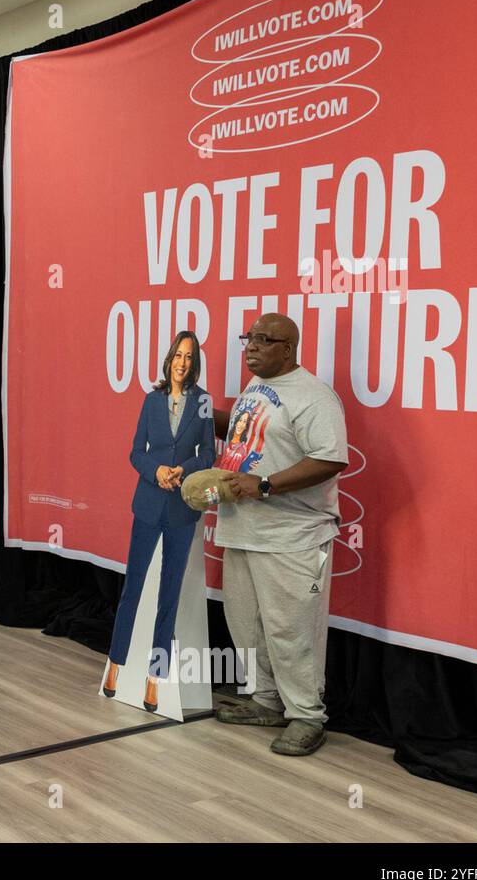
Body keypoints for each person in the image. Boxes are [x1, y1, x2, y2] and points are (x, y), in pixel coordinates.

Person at [211, 313, 348, 756]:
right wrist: (202, 415)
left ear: (288, 348)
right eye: (248, 339)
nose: (251, 347)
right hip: (244, 528)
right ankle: (266, 701)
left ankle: (307, 715)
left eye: (263, 340)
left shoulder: (314, 395)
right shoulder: (256, 388)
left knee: (292, 631)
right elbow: (249, 434)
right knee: (247, 626)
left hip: (293, 534)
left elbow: (330, 459)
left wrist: (265, 485)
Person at [104, 331, 215, 709]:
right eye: (177, 355)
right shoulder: (151, 401)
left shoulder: (203, 402)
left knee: (169, 594)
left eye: (189, 356)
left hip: (182, 508)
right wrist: (157, 472)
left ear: (194, 363)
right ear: (169, 360)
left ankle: (155, 677)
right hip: (149, 503)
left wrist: (182, 469)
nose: (182, 362)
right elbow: (136, 453)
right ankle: (115, 664)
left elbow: (209, 455)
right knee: (132, 588)